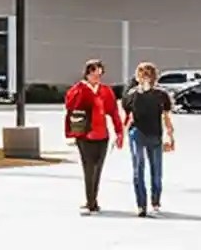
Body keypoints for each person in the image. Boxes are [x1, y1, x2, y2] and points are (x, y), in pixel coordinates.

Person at [65, 59, 124, 214]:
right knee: (88, 168)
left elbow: (114, 113)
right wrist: (83, 90)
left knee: (98, 169)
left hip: (102, 135)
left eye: (99, 72)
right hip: (85, 135)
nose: (97, 75)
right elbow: (70, 105)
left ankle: (93, 199)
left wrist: (119, 132)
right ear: (87, 73)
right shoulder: (78, 89)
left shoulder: (106, 91)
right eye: (93, 72)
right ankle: (91, 202)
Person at [122, 61, 175, 217]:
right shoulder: (131, 95)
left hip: (155, 135)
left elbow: (166, 117)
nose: (145, 77)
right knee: (138, 168)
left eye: (148, 74)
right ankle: (141, 205)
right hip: (137, 133)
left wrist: (170, 137)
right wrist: (121, 135)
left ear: (154, 77)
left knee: (156, 170)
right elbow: (129, 116)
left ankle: (155, 201)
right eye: (142, 74)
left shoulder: (162, 95)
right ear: (137, 76)